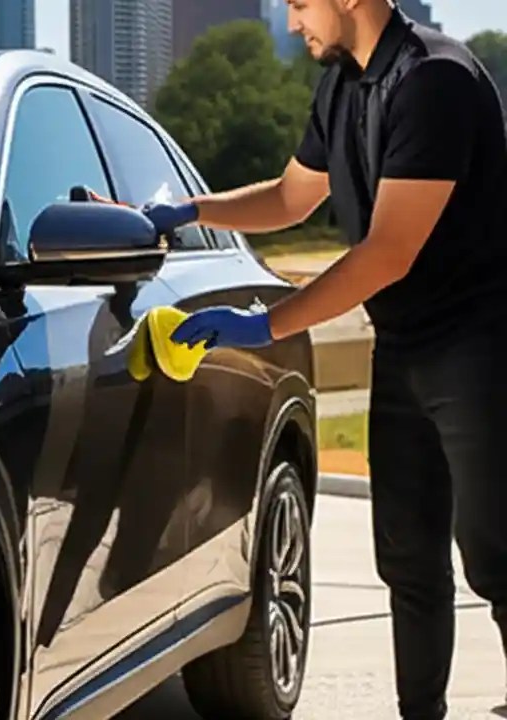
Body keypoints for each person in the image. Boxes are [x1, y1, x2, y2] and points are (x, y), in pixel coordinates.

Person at [143, 1, 507, 718]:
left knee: (497, 551)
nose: (290, 20)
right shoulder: (343, 85)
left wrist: (265, 324)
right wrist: (189, 212)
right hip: (403, 349)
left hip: (480, 345)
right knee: (407, 558)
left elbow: (388, 252)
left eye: (302, 3)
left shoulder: (435, 81)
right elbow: (290, 197)